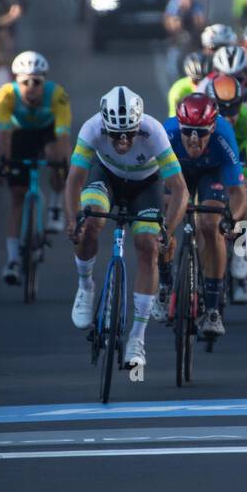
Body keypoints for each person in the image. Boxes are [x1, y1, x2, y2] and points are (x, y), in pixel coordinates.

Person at [66, 86, 188, 370]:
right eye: (116, 135)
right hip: (106, 176)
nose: (122, 142)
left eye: (129, 134)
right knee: (90, 221)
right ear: (104, 125)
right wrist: (73, 220)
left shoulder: (154, 131)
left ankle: (137, 338)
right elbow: (73, 180)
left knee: (147, 245)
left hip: (145, 186)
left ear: (139, 125)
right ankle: (85, 286)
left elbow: (179, 190)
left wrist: (167, 230)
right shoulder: (92, 128)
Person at [161, 93, 247, 338]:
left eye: (201, 133)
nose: (193, 139)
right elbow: (149, 182)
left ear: (212, 128)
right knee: (165, 219)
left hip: (212, 172)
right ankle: (165, 282)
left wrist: (232, 219)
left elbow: (239, 193)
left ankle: (212, 309)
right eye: (187, 131)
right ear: (179, 126)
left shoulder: (224, 136)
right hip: (178, 171)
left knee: (211, 226)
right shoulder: (165, 134)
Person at [0, 51, 72, 284]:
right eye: (24, 82)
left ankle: (56, 206)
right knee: (18, 195)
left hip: (47, 134)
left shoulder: (57, 95)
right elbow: (5, 135)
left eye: (36, 81)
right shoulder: (6, 94)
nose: (31, 87)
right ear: (16, 81)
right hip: (19, 136)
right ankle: (12, 260)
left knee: (56, 157)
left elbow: (63, 137)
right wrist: (4, 164)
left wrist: (63, 165)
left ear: (44, 81)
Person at [167, 52, 211, 117]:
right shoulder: (178, 90)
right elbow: (173, 118)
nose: (199, 85)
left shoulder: (214, 86)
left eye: (203, 81)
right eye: (195, 81)